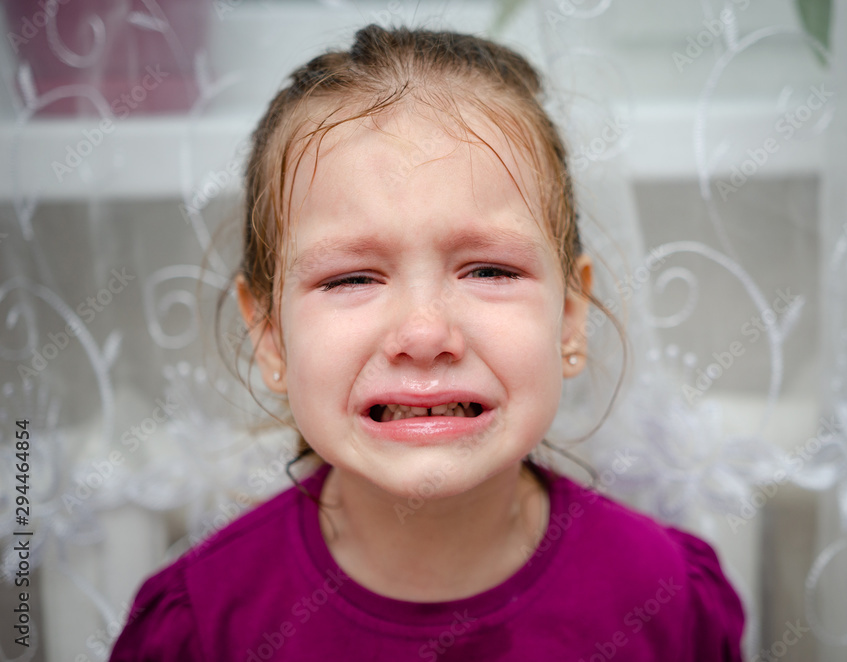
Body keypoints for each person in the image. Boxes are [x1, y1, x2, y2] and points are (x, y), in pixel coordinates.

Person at [110, 24, 744, 661]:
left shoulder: (667, 600)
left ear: (570, 317)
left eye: (490, 271)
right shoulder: (200, 629)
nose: (423, 334)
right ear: (271, 337)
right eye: (351, 277)